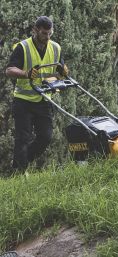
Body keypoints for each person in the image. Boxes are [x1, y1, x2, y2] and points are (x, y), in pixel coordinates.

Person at [6, 16, 68, 171]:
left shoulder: (55, 48)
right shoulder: (23, 47)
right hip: (23, 100)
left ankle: (22, 163)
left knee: (45, 137)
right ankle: (18, 172)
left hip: (44, 99)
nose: (47, 37)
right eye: (43, 33)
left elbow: (59, 72)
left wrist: (63, 72)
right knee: (23, 138)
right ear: (35, 30)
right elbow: (9, 70)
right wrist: (26, 74)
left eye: (49, 34)